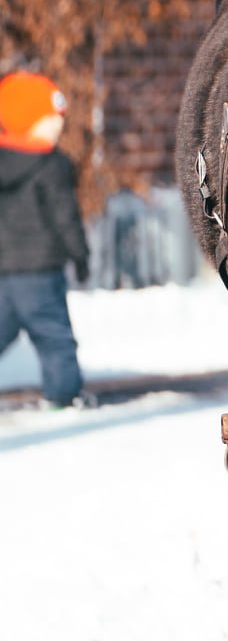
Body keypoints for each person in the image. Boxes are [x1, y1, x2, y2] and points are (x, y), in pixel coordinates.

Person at [0, 71, 91, 408]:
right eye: (49, 121)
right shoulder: (52, 166)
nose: (58, 128)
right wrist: (79, 255)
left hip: (4, 271)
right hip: (40, 271)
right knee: (54, 337)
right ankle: (64, 397)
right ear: (26, 120)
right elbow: (64, 216)